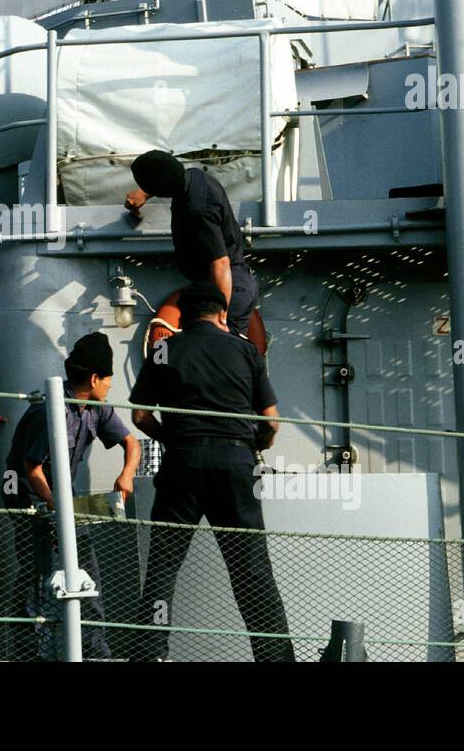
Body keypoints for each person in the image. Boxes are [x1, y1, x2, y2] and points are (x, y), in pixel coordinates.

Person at [129, 279, 295, 662]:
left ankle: (149, 654)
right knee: (252, 571)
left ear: (182, 317)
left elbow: (139, 415)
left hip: (182, 464)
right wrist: (255, 445)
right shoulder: (246, 351)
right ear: (222, 314)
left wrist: (171, 436)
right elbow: (272, 423)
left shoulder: (162, 351)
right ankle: (275, 658)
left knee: (163, 569)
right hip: (236, 467)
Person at [4, 331, 141, 660]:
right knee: (36, 574)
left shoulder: (97, 409)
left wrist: (126, 474)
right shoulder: (47, 412)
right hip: (29, 494)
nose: (110, 386)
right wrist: (57, 509)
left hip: (65, 494)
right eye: (108, 379)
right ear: (94, 378)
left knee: (86, 572)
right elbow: (31, 469)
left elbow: (132, 443)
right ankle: (27, 653)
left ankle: (95, 652)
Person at [126, 149, 259, 338]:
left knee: (220, 362)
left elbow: (221, 264)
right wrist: (144, 194)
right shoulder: (196, 176)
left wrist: (221, 317)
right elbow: (171, 179)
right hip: (228, 283)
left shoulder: (198, 211)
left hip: (227, 290)